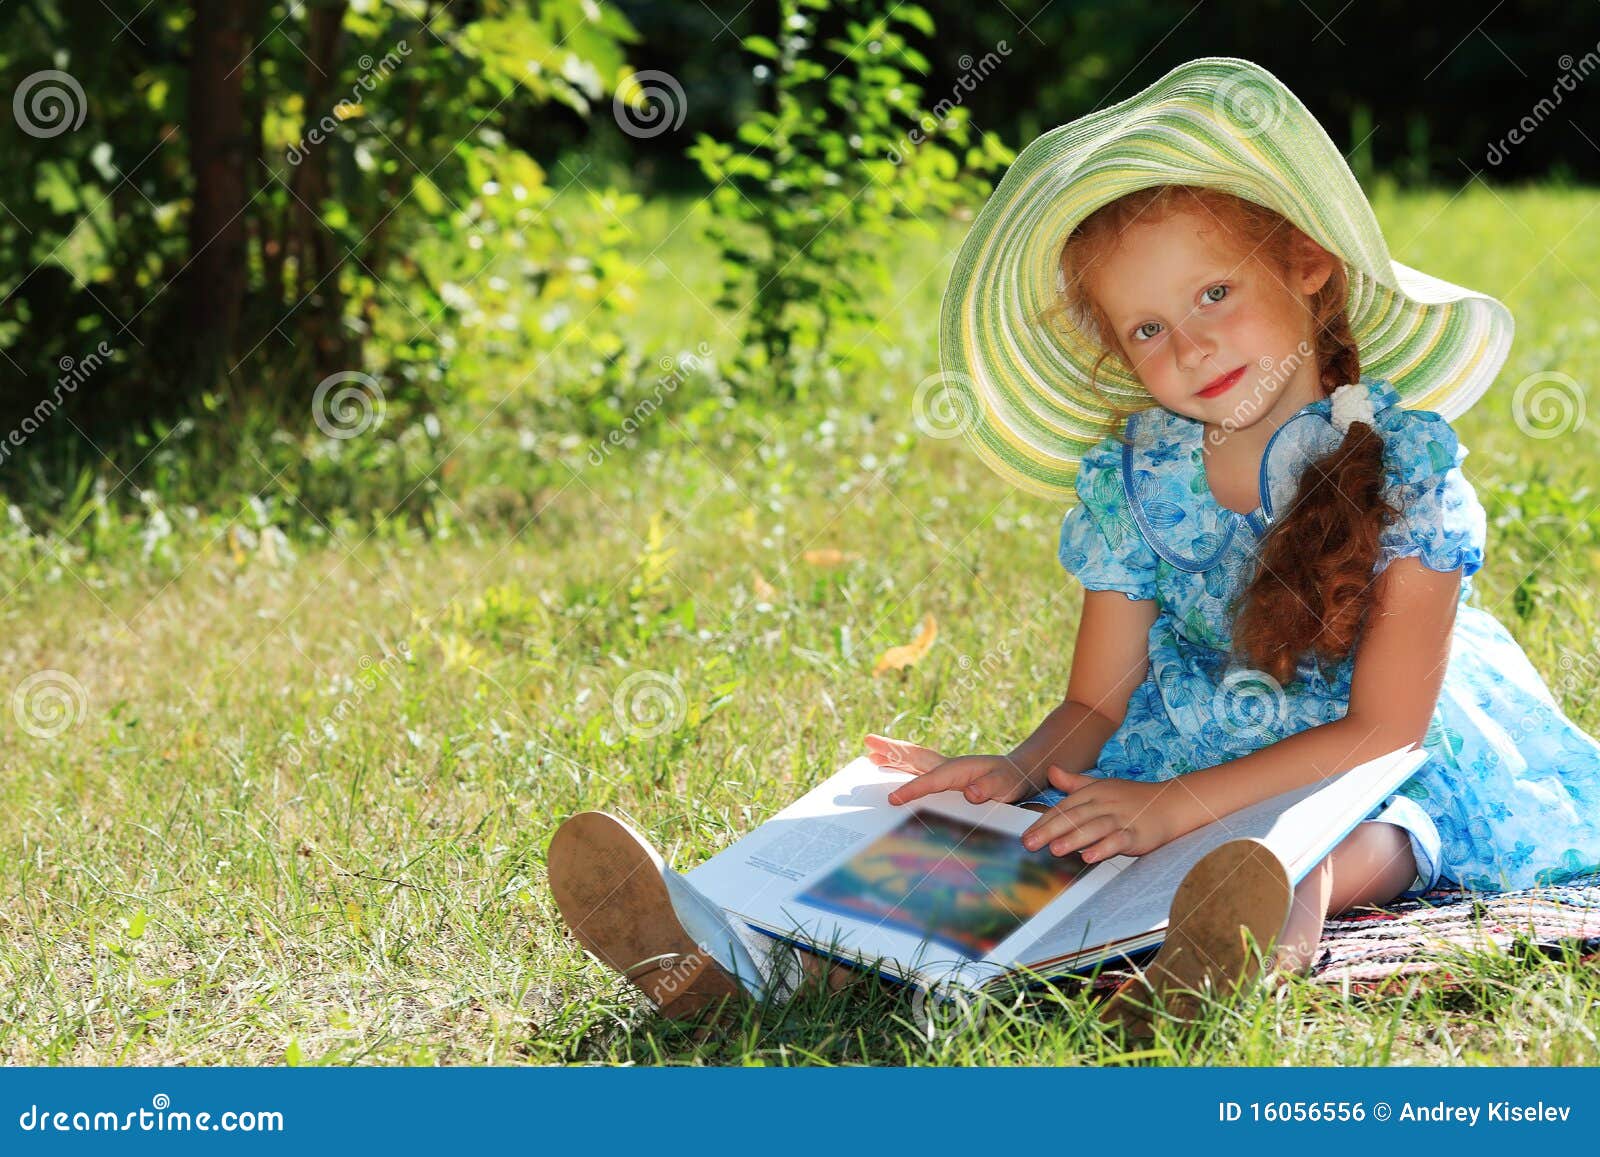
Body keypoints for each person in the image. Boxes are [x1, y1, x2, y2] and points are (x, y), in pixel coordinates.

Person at [548, 56, 1600, 1034]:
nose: (1185, 343)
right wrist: (1018, 767)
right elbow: (1096, 701)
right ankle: (752, 960)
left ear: (1307, 265)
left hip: (1368, 772)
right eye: (1144, 329)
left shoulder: (1408, 468)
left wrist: (1172, 807)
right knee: (995, 840)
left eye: (1214, 294)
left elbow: (1383, 731)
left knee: (1298, 850)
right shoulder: (1137, 477)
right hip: (1182, 757)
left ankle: (1208, 982)